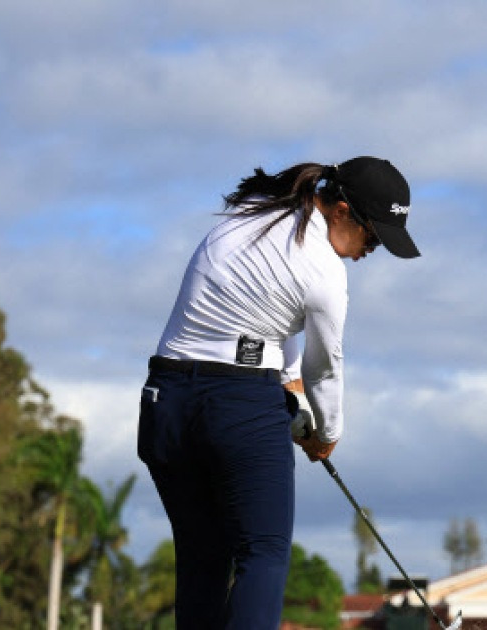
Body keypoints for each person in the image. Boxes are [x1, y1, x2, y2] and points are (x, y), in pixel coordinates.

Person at [137, 157, 419, 629]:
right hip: (239, 407)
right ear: (342, 210)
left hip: (164, 404)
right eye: (373, 236)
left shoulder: (252, 215)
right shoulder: (327, 273)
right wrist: (326, 434)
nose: (372, 250)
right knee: (263, 552)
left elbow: (264, 309)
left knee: (203, 558)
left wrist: (290, 387)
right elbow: (325, 368)